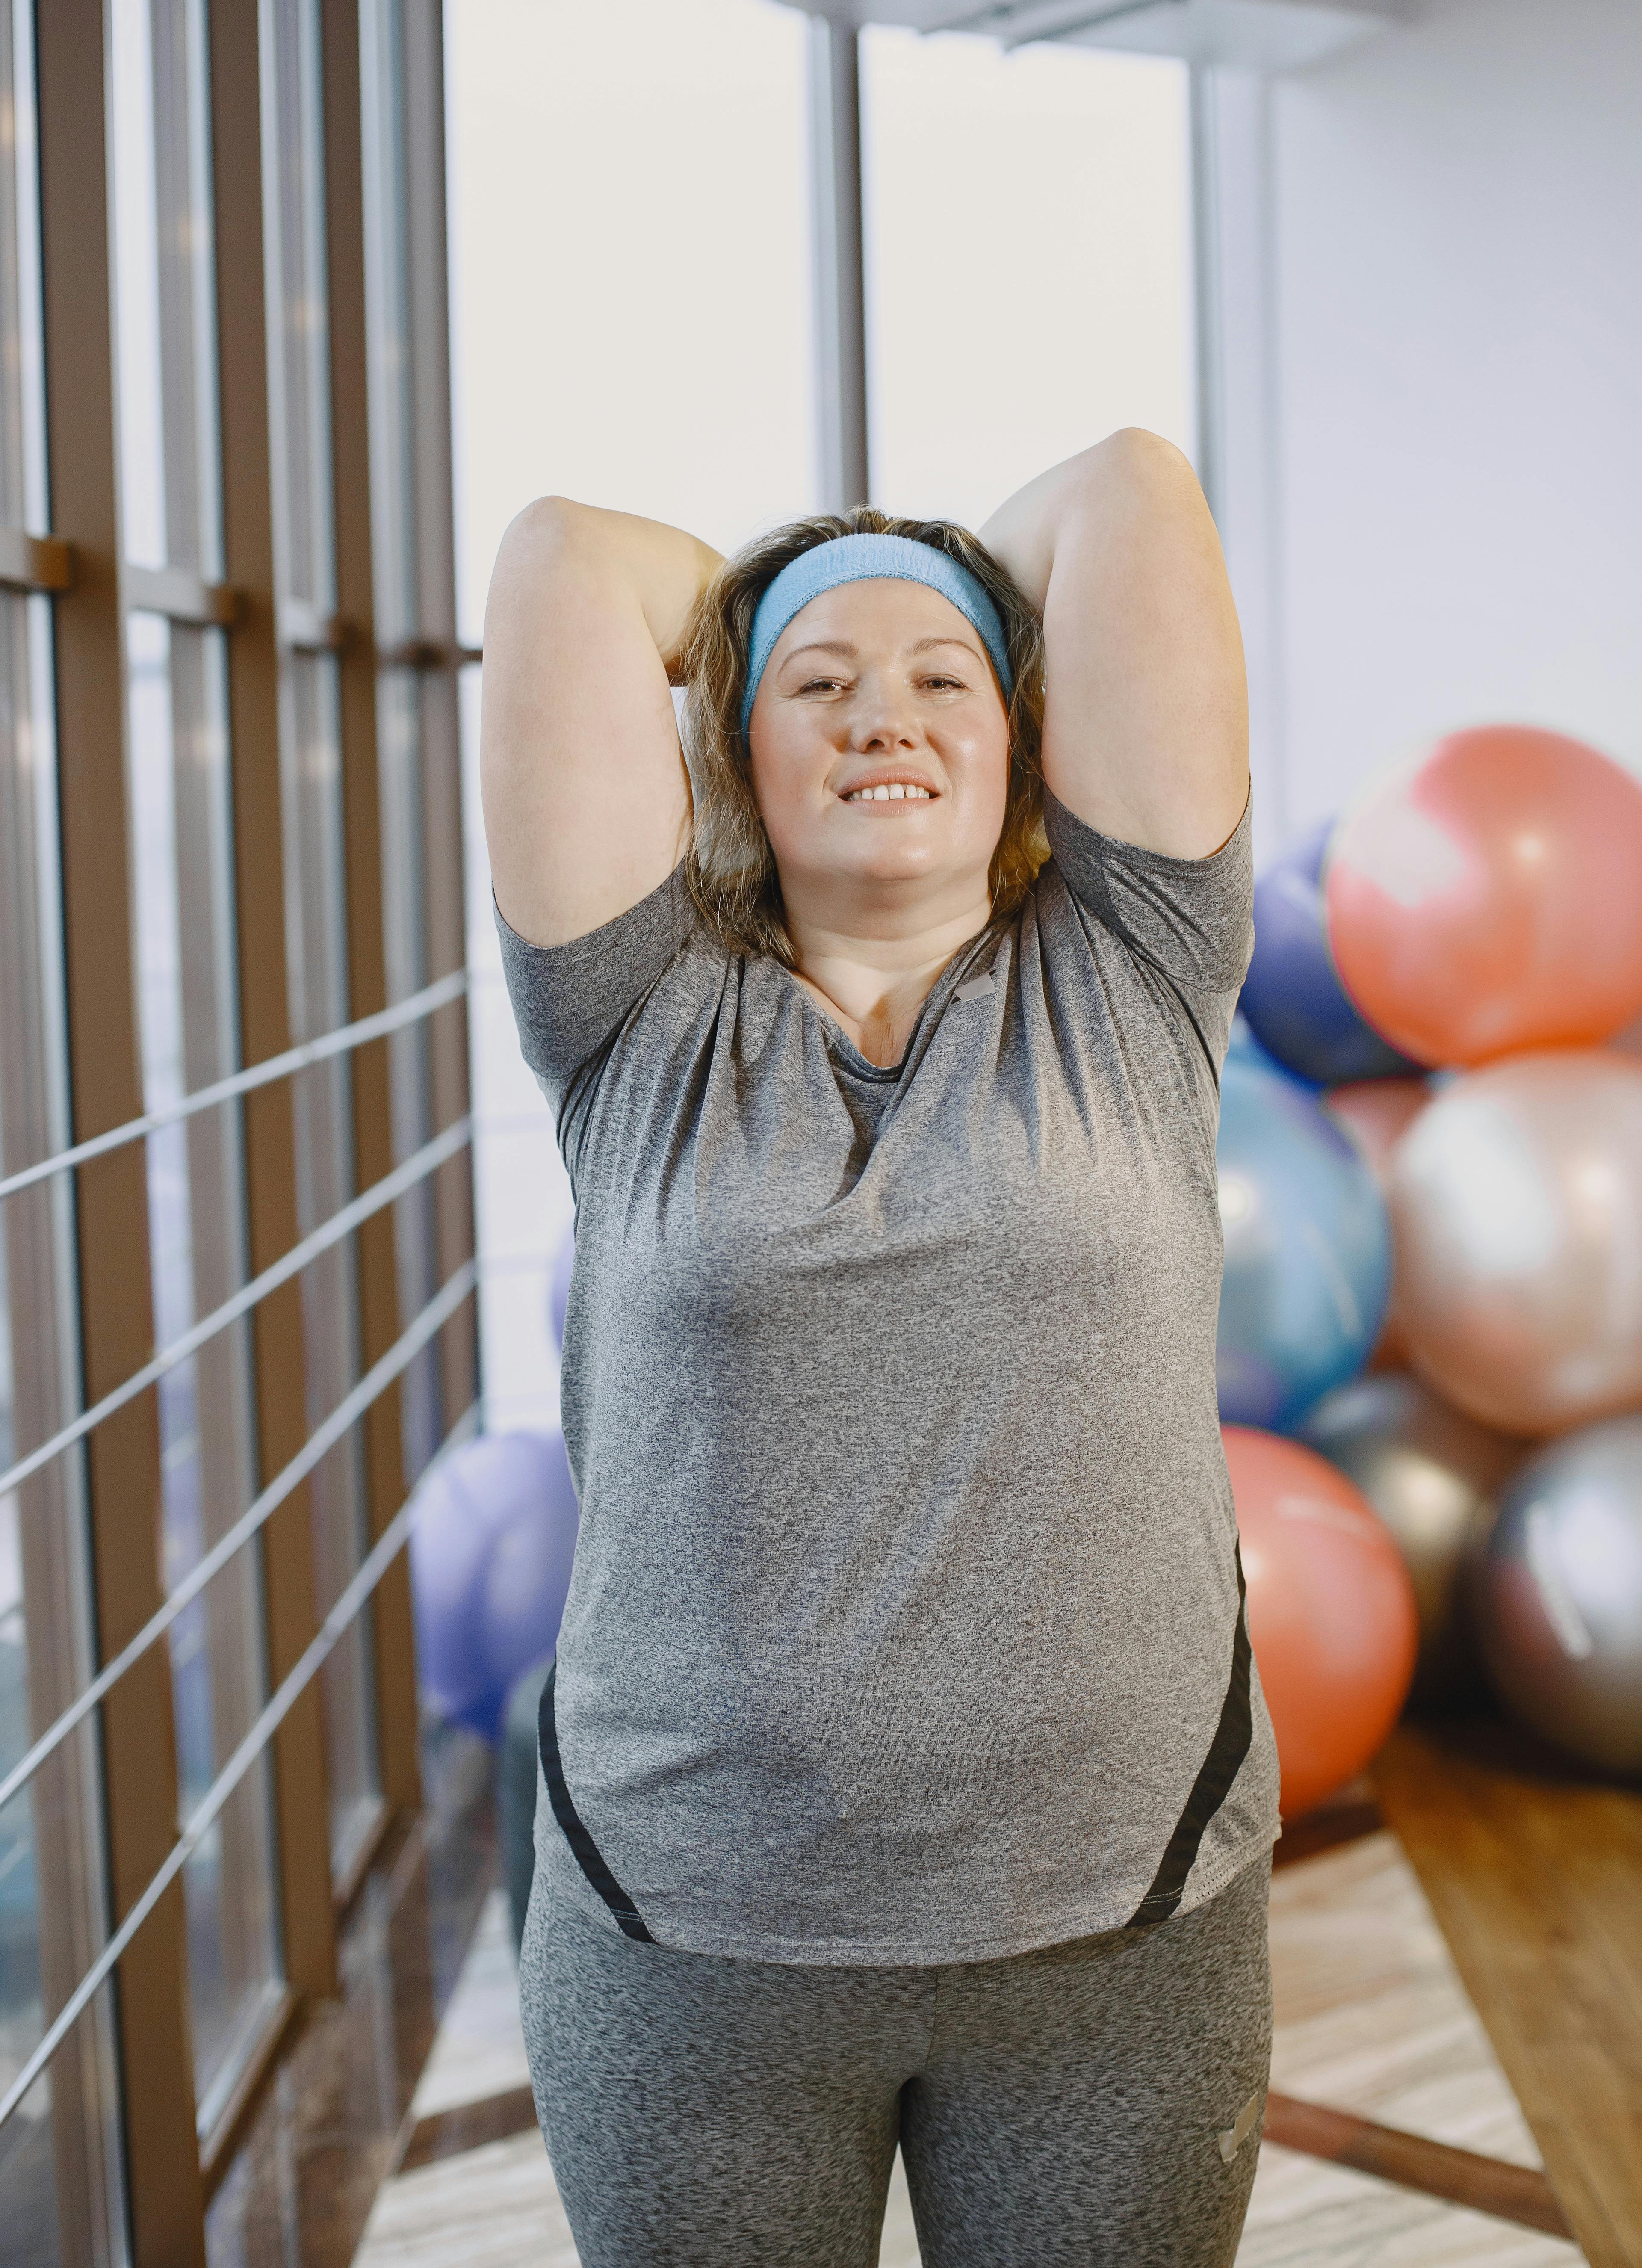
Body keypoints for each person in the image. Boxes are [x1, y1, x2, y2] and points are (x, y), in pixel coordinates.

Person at [481, 429, 1279, 2268]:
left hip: (1120, 1932)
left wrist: (910, 567)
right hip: (691, 1942)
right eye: (815, 687)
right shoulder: (631, 1019)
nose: (882, 715)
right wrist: (806, 575)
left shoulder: (1138, 969)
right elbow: (556, 565)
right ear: (737, 752)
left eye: (945, 679)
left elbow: (1136, 491)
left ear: (1024, 737)